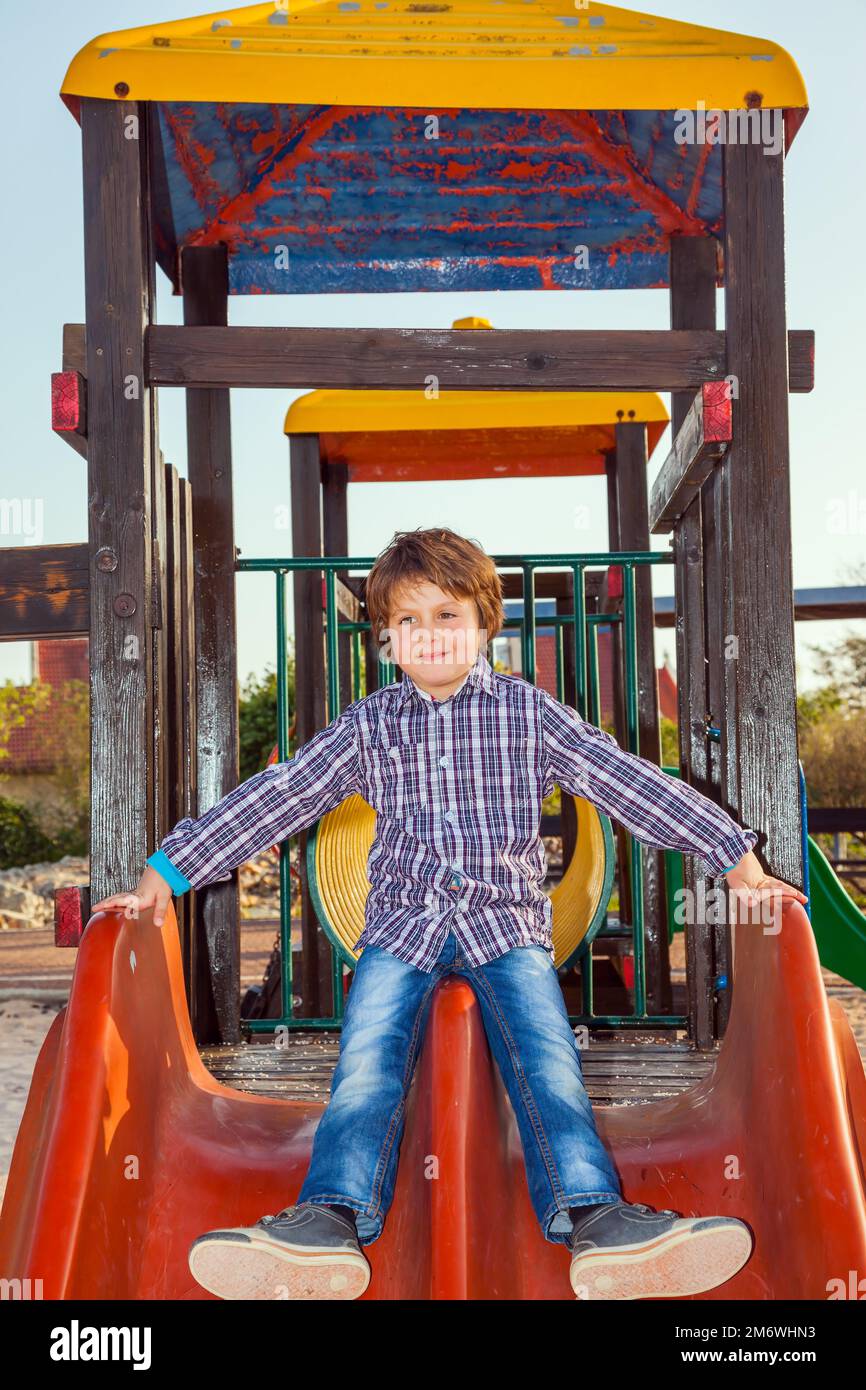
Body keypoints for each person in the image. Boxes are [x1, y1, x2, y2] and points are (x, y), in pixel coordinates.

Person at [92, 526, 807, 1301]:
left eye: (446, 616)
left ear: (484, 623)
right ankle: (330, 1217)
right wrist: (168, 872)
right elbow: (280, 796)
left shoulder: (529, 715)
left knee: (546, 1059)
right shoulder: (371, 726)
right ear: (385, 640)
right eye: (407, 622)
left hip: (506, 926)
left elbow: (626, 782)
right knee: (365, 1061)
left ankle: (593, 1218)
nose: (428, 637)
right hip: (401, 926)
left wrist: (736, 860)